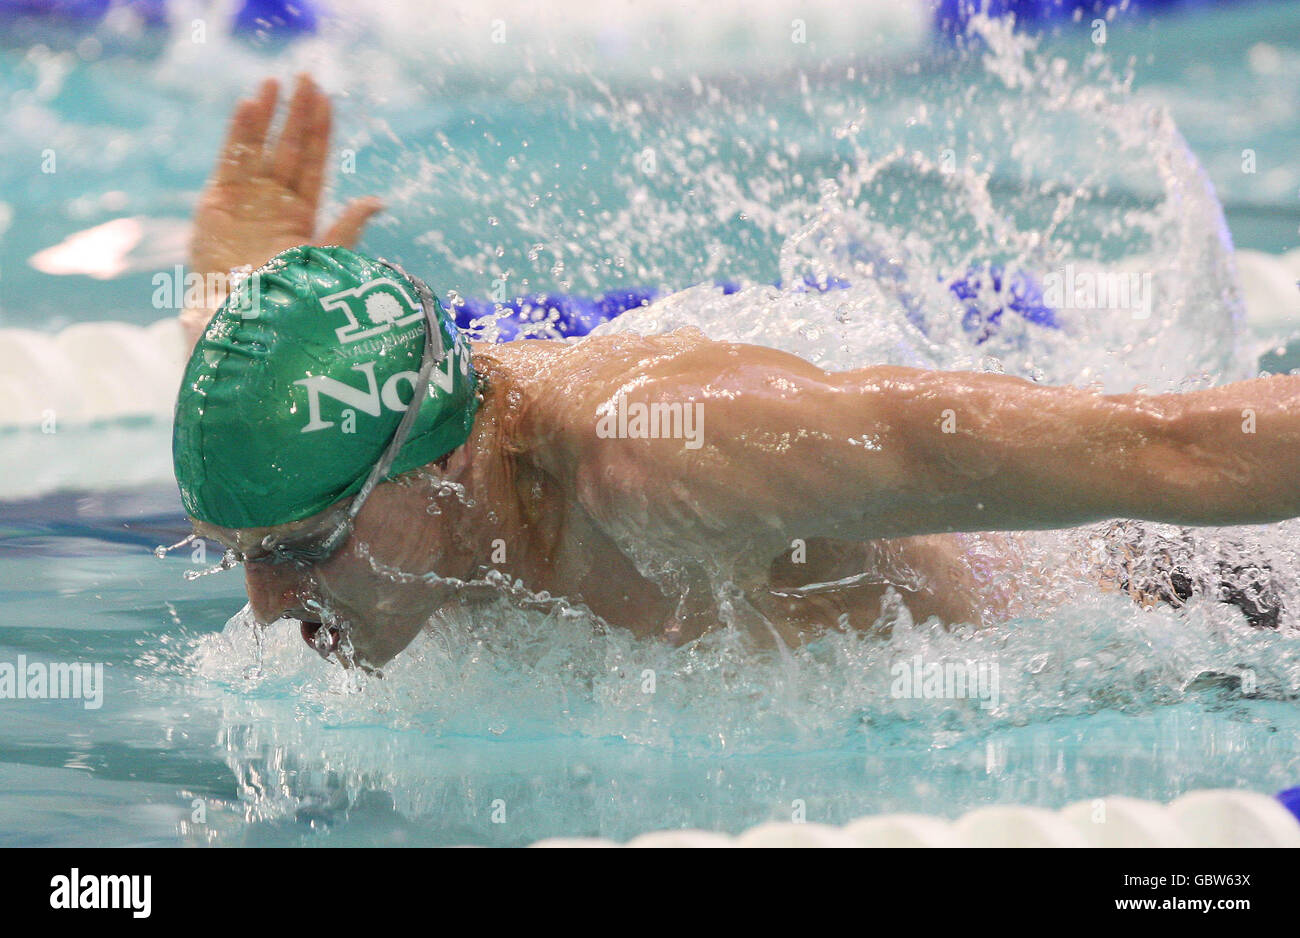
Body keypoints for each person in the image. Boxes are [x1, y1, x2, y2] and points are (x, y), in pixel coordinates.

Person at [176, 75, 1295, 669]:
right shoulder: (382, 478)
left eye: (305, 549)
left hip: (1187, 613)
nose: (269, 608)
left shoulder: (673, 461)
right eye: (244, 554)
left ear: (424, 465)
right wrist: (237, 293)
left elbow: (1161, 444)